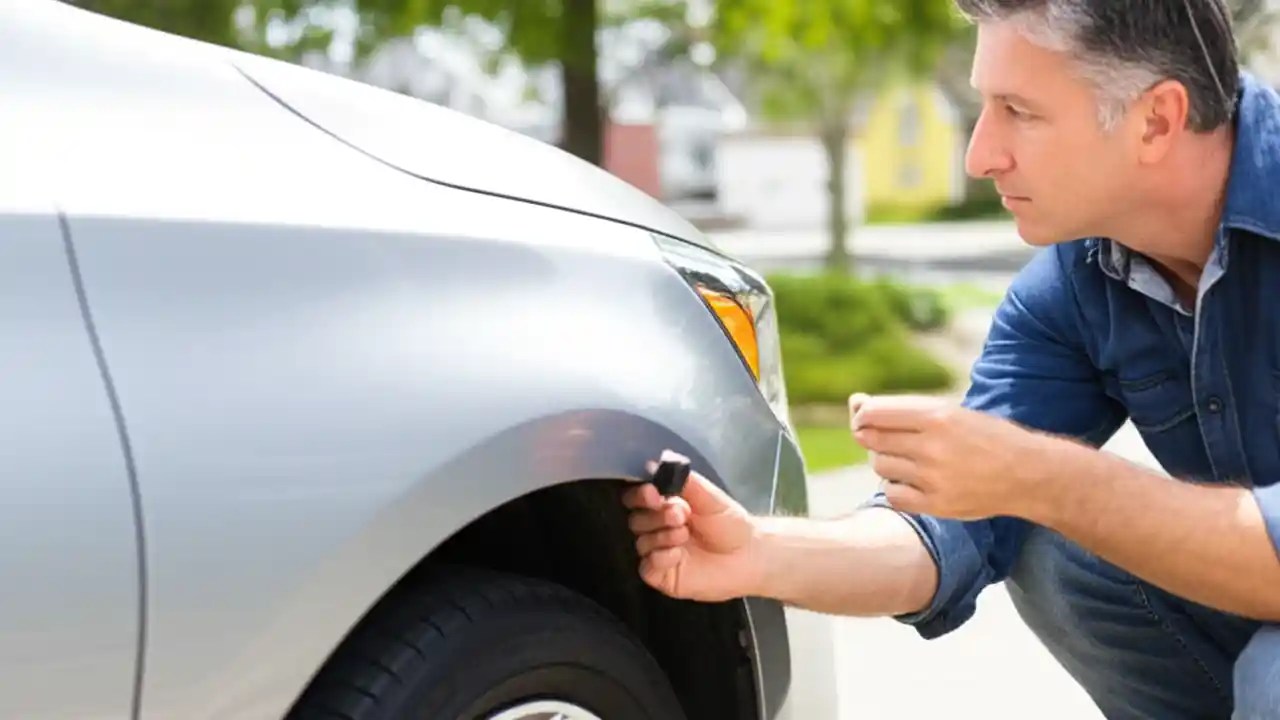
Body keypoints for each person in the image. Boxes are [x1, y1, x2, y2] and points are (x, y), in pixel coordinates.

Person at [623, 1, 1280, 717]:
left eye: (1018, 111)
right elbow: (951, 531)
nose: (979, 154)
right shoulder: (1080, 282)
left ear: (1155, 119)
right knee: (1053, 543)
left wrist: (1044, 476)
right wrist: (759, 553)